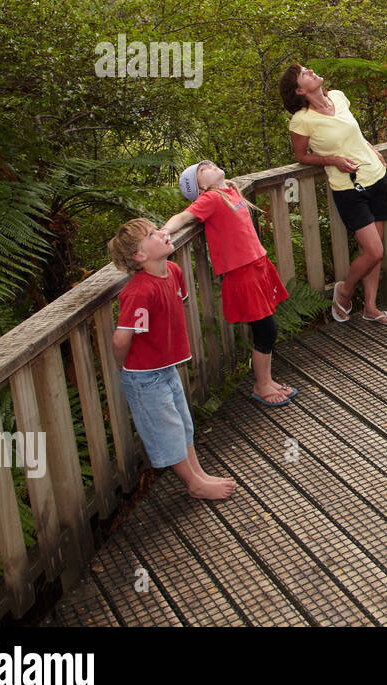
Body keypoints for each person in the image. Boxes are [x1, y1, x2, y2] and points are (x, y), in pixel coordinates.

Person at [108, 218, 236, 500]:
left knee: (183, 425)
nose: (162, 232)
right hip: (145, 377)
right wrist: (121, 364)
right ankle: (194, 483)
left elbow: (177, 303)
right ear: (139, 256)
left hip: (166, 369)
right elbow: (121, 338)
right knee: (168, 432)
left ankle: (199, 473)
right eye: (153, 234)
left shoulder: (174, 272)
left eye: (158, 228)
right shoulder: (139, 291)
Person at [162, 161, 296, 407]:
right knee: (266, 330)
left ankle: (266, 380)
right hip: (242, 273)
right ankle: (262, 385)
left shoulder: (230, 190)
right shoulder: (211, 198)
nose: (210, 166)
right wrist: (164, 232)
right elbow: (184, 216)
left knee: (266, 328)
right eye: (203, 169)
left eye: (209, 163)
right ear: (201, 186)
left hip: (256, 265)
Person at [279, 63, 387, 326]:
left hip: (376, 177)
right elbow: (301, 155)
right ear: (300, 89)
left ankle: (370, 306)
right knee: (374, 251)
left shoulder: (338, 96)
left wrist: (370, 148)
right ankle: (344, 291)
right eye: (304, 74)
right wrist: (333, 159)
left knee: (375, 250)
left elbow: (352, 133)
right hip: (348, 188)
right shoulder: (302, 120)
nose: (311, 71)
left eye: (308, 68)